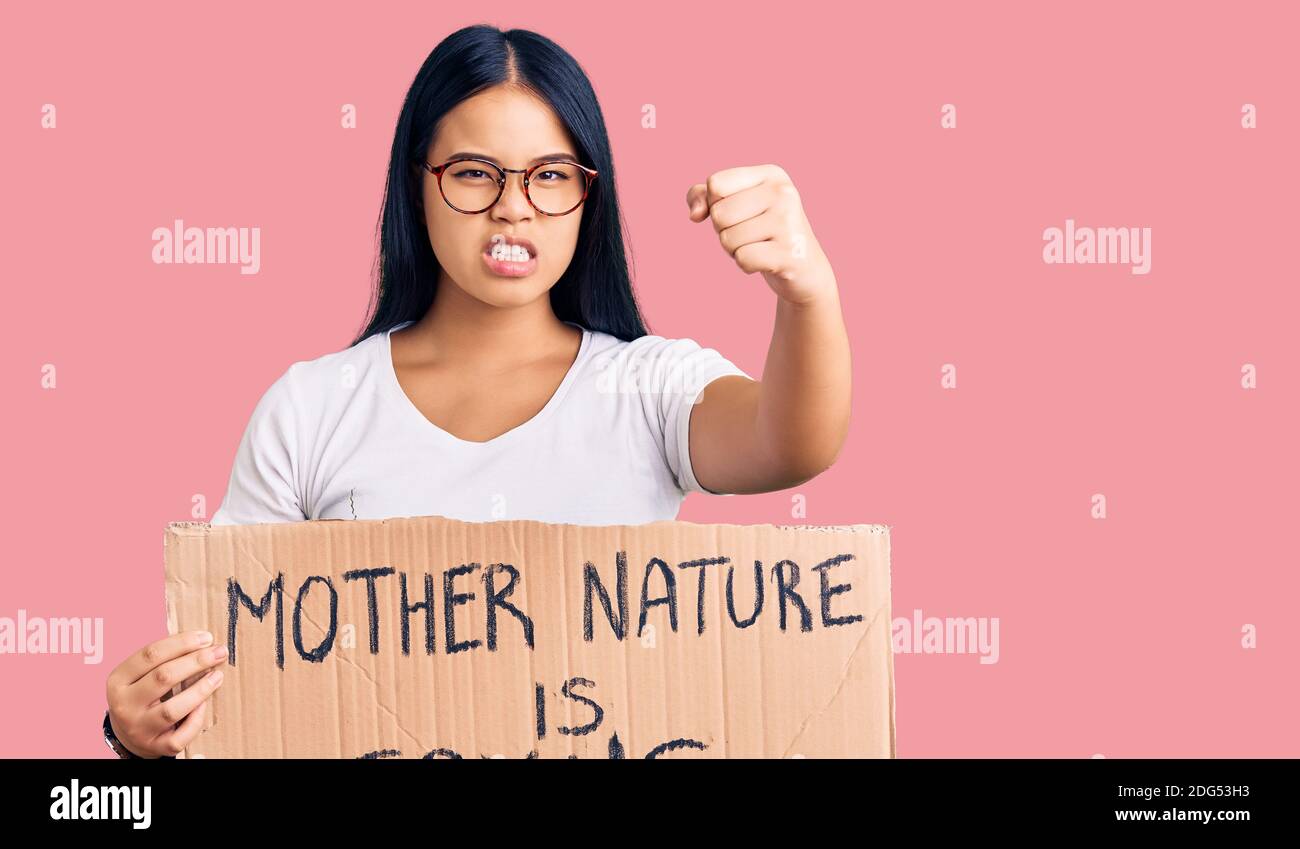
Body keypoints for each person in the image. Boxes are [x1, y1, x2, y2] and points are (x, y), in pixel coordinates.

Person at [104, 24, 851, 758]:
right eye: (472, 172)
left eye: (550, 175)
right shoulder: (311, 409)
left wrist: (807, 293)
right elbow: (236, 671)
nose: (513, 207)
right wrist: (141, 733)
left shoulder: (645, 387)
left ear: (590, 196)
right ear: (416, 184)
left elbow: (790, 444)